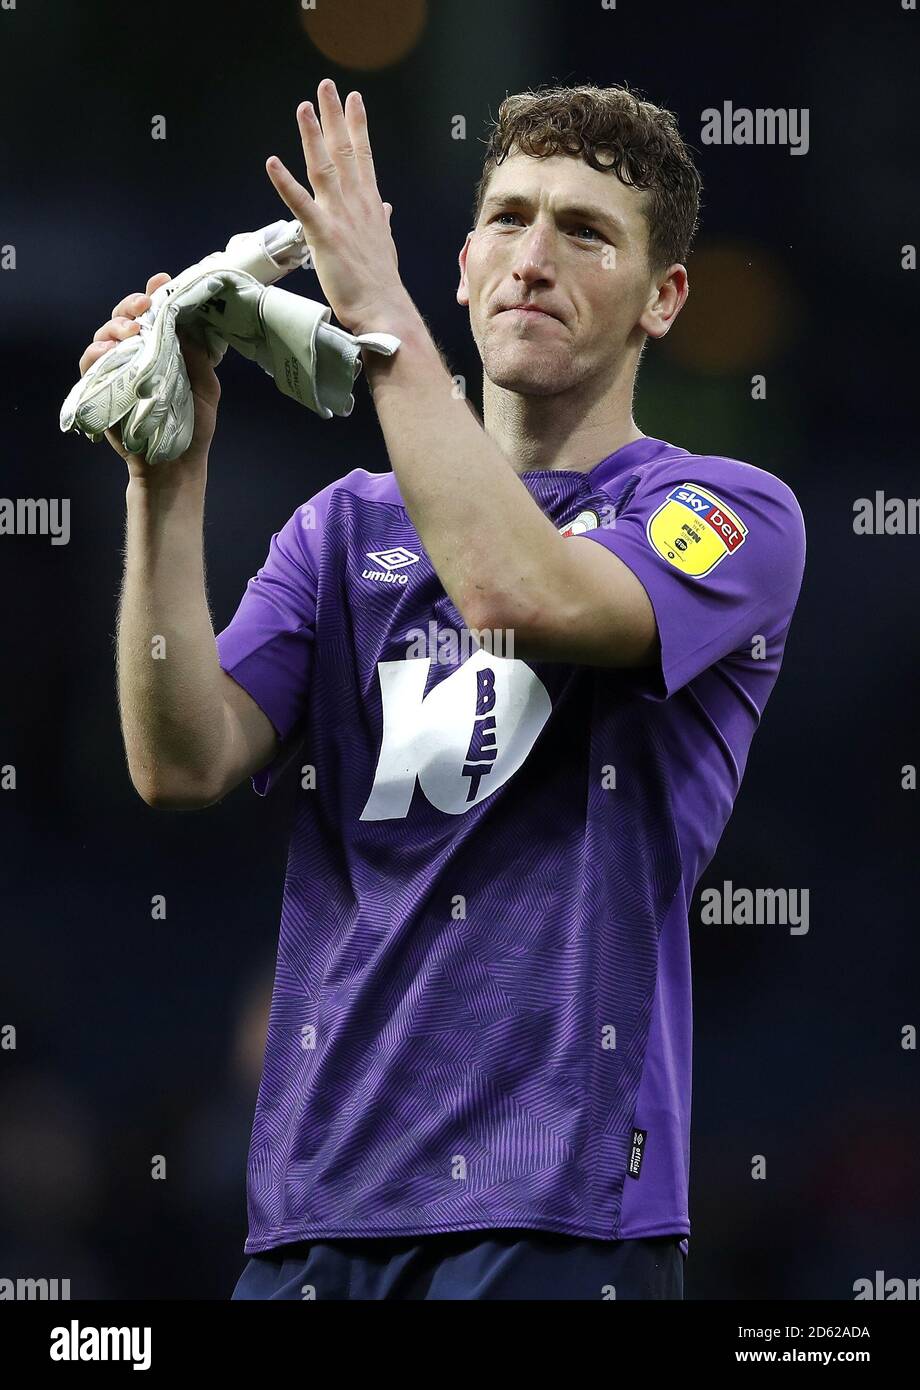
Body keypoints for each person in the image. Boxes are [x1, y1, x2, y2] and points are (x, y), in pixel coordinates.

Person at [81, 80, 805, 1300]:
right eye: (510, 220)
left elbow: (517, 591)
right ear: (464, 267)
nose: (534, 258)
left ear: (661, 298)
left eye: (584, 232)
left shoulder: (727, 512)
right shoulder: (336, 534)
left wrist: (373, 312)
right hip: (316, 1209)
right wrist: (167, 478)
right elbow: (180, 757)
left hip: (563, 1213)